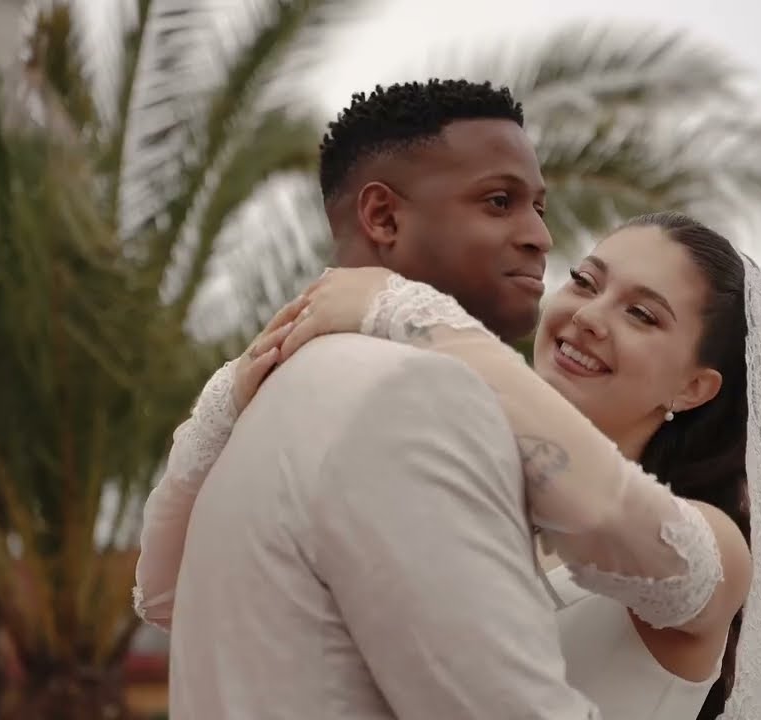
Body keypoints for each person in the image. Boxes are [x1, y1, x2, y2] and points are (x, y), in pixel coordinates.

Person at [138, 210, 761, 718]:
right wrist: (231, 400)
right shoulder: (449, 498)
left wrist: (404, 310)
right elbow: (167, 598)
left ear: (693, 388)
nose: (590, 315)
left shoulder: (717, 553)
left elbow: (602, 510)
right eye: (586, 282)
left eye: (642, 315)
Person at [137, 79, 602, 719]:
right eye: (500, 201)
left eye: (539, 208)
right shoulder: (411, 394)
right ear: (382, 216)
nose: (539, 237)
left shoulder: (270, 394)